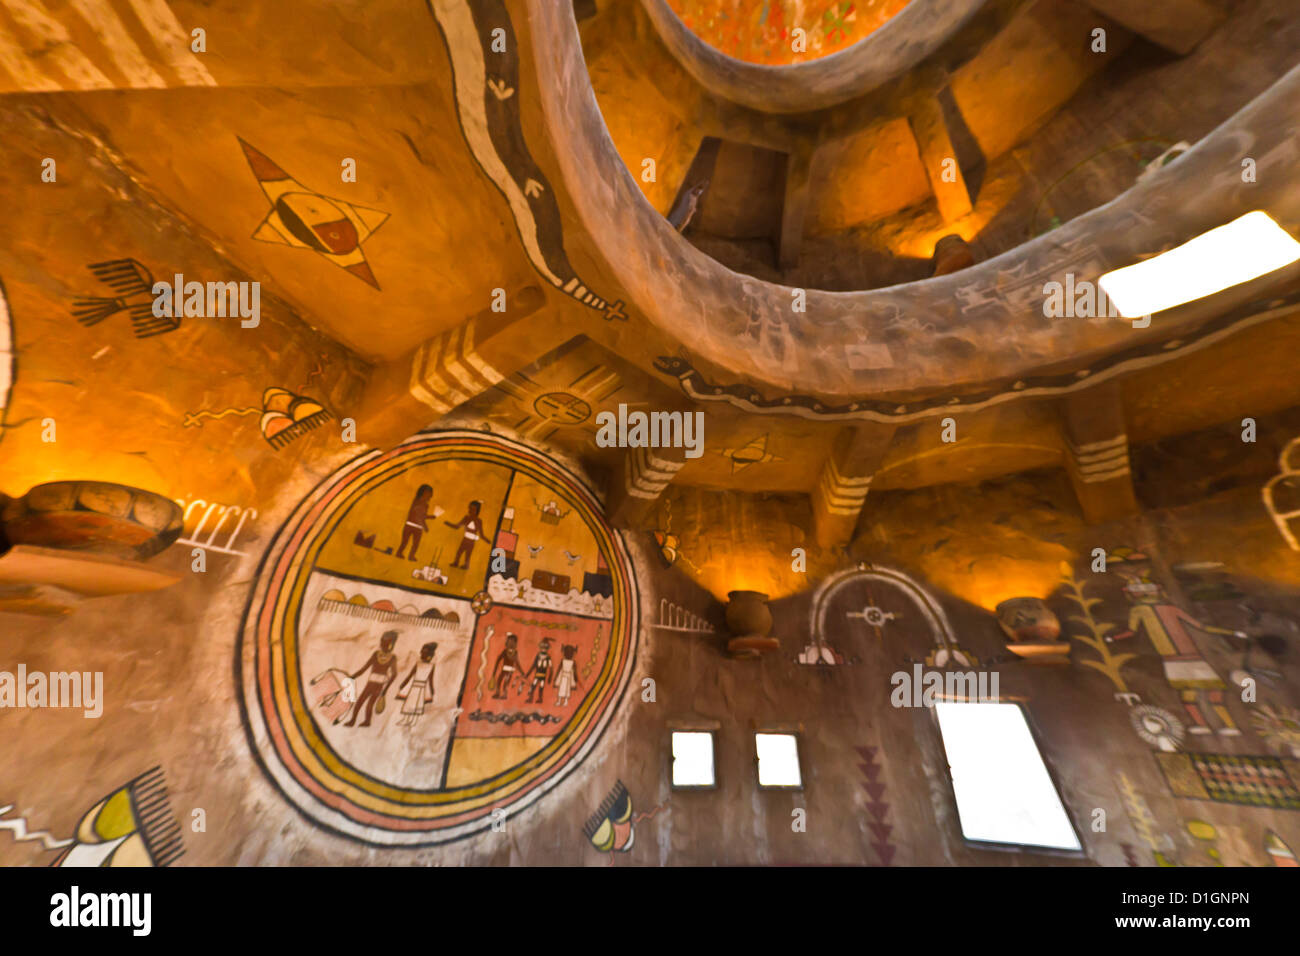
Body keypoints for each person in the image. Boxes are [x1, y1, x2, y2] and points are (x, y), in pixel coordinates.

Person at [340, 631, 399, 728]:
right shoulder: (376, 654)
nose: (382, 645)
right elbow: (365, 668)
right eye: (382, 643)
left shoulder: (392, 658)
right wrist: (353, 676)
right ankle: (353, 720)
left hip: (379, 685)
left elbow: (394, 674)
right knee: (360, 701)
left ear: (391, 645)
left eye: (386, 644)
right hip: (371, 682)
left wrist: (385, 690)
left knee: (370, 703)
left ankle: (367, 721)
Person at [395, 643, 438, 727]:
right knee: (409, 703)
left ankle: (413, 721)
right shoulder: (418, 663)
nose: (422, 654)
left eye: (425, 652)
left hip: (422, 688)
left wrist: (432, 689)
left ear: (430, 655)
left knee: (418, 704)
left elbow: (430, 679)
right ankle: (405, 719)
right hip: (414, 686)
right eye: (422, 652)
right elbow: (410, 675)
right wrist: (404, 683)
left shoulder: (431, 666)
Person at [395, 484, 433, 561]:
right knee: (405, 541)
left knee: (415, 544)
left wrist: (427, 521)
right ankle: (399, 553)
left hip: (418, 527)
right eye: (427, 493)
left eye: (429, 494)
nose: (428, 495)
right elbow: (419, 515)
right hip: (410, 524)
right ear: (422, 493)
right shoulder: (416, 501)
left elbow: (422, 516)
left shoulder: (426, 505)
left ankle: (411, 556)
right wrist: (426, 523)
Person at [445, 500, 484, 569]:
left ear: (477, 510)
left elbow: (481, 534)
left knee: (468, 554)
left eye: (473, 509)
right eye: (469, 508)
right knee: (459, 552)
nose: (470, 510)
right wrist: (448, 523)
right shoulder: (466, 518)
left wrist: (487, 540)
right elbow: (457, 526)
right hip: (465, 539)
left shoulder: (479, 521)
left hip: (471, 541)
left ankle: (466, 565)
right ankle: (456, 562)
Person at [523, 637, 555, 705]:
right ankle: (530, 698)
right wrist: (528, 674)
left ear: (547, 648)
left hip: (543, 676)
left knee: (541, 687)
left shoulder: (548, 657)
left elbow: (551, 668)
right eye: (542, 647)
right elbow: (533, 665)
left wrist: (550, 677)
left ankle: (540, 699)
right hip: (537, 675)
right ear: (540, 647)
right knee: (533, 686)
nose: (543, 649)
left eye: (545, 647)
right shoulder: (538, 656)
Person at [492, 632, 522, 699]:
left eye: (512, 642)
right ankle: (497, 693)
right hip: (504, 670)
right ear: (507, 642)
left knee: (505, 683)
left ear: (515, 643)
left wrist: (522, 673)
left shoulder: (515, 653)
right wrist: (494, 670)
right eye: (509, 641)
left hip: (510, 671)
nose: (511, 643)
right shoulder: (505, 651)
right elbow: (498, 660)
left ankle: (504, 695)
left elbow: (517, 664)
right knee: (499, 681)